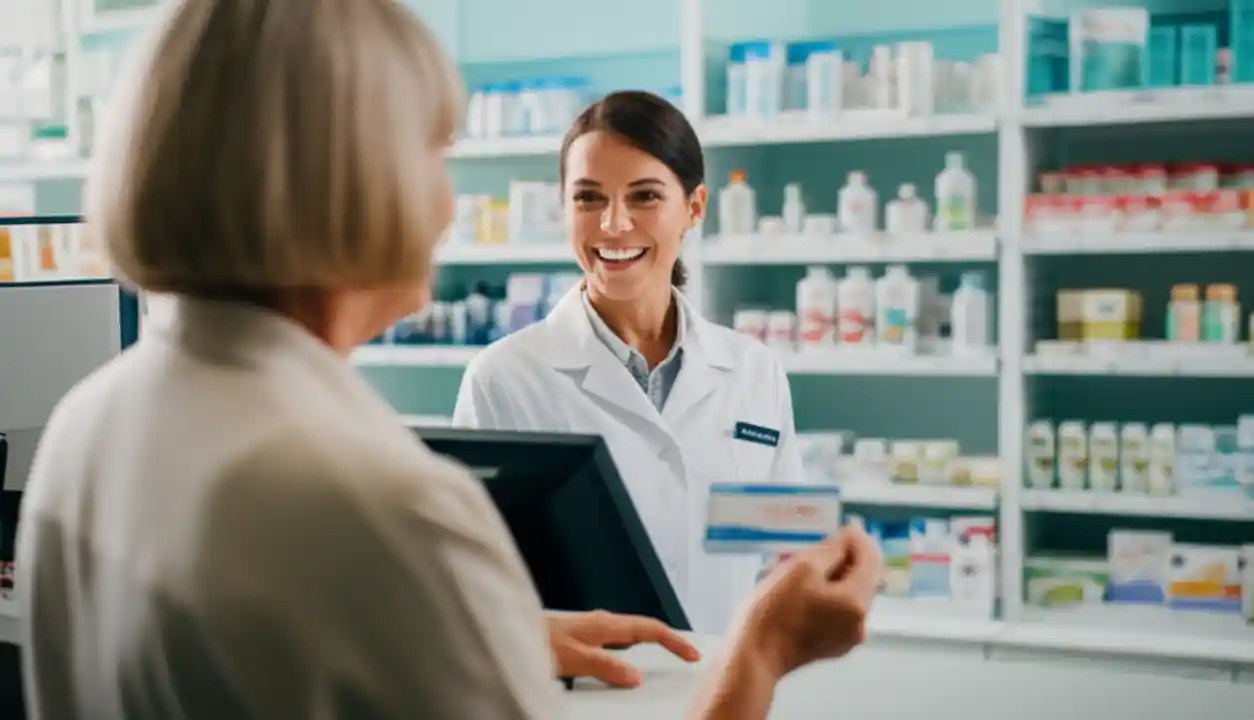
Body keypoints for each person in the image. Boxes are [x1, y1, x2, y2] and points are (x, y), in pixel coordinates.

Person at [16, 1, 882, 718]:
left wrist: (491, 635)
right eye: (430, 154)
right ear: (339, 181)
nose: (443, 204)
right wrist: (761, 654)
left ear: (691, 208)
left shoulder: (89, 425)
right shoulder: (380, 502)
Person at [454, 90, 802, 632]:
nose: (613, 224)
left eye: (644, 197)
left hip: (727, 675)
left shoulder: (756, 372)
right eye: (588, 198)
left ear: (694, 207)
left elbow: (784, 556)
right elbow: (474, 581)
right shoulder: (503, 379)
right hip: (582, 680)